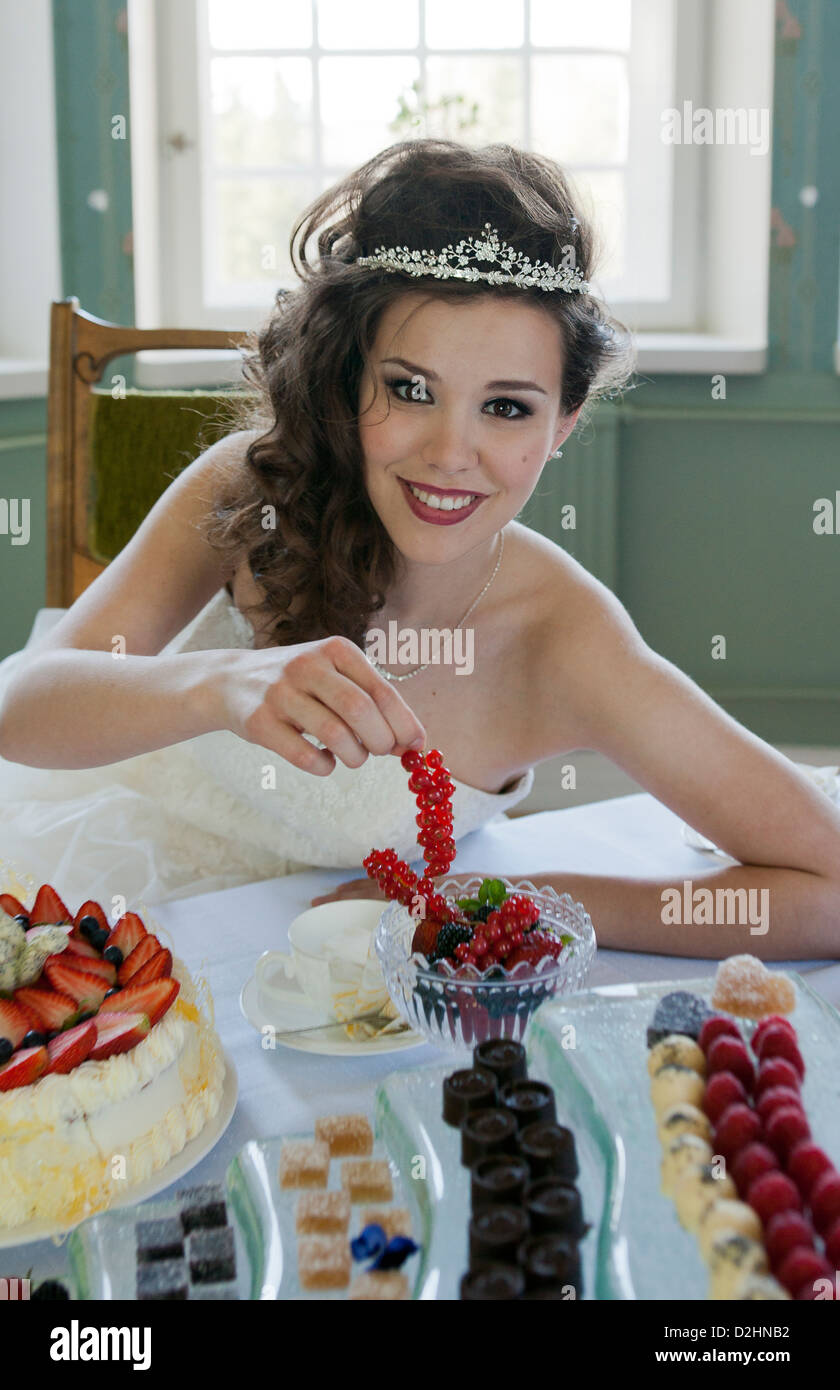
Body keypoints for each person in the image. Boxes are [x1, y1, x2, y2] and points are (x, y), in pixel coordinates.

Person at [0, 139, 838, 958]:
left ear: (563, 426)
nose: (449, 452)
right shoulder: (250, 489)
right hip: (90, 890)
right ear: (349, 378)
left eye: (506, 408)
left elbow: (828, 890)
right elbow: (23, 706)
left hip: (333, 966)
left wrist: (518, 900)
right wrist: (217, 685)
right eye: (410, 389)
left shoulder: (568, 640)